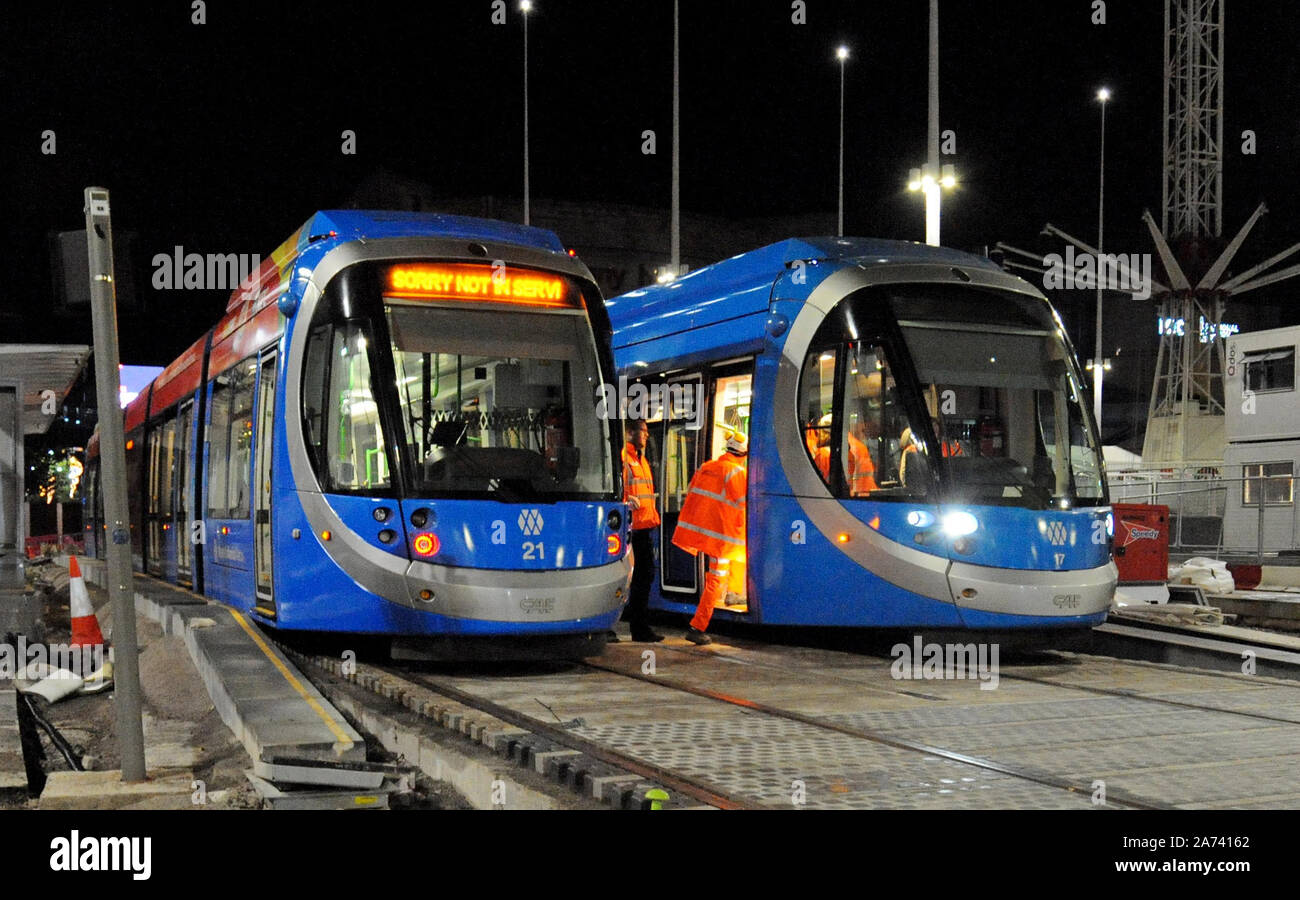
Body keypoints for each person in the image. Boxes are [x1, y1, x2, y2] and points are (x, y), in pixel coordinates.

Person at [672, 430, 748, 645]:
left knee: (740, 557)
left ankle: (733, 593)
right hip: (722, 538)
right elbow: (745, 505)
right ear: (743, 455)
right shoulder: (736, 473)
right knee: (715, 579)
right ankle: (697, 626)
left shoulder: (706, 467)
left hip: (705, 534)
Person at [619, 419, 663, 643]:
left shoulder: (640, 459)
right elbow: (614, 489)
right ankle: (638, 627)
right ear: (629, 432)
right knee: (636, 577)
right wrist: (628, 500)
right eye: (642, 431)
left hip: (644, 525)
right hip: (631, 527)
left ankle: (640, 627)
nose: (646, 435)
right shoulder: (624, 458)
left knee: (644, 576)